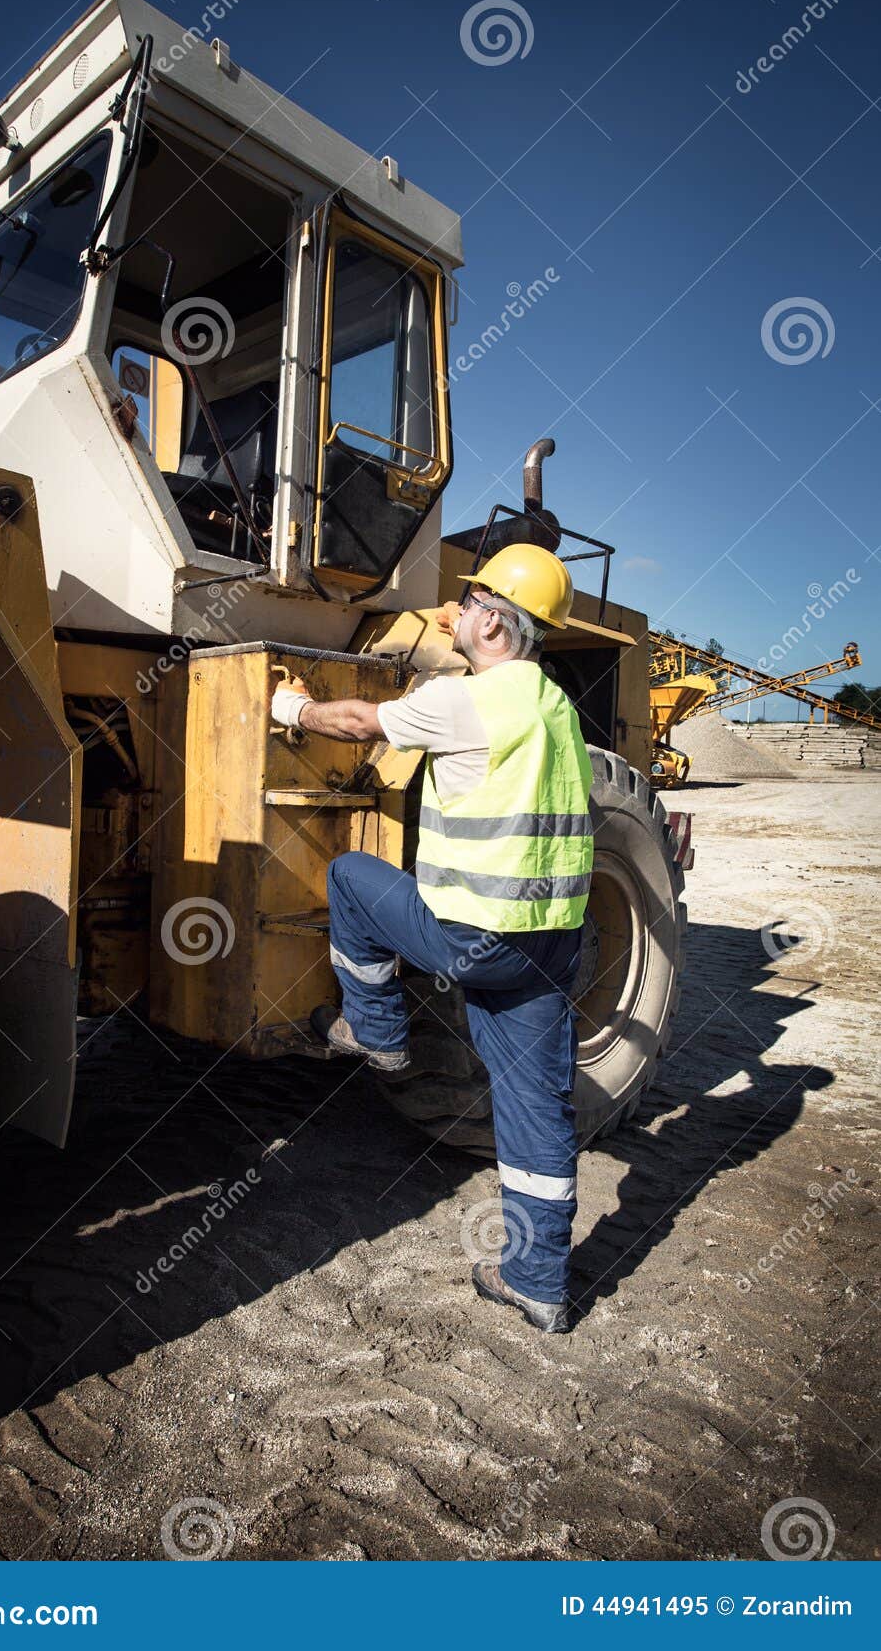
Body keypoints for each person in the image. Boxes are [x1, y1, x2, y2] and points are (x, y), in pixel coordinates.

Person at [269, 545, 594, 1334]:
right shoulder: (552, 703)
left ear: (490, 620)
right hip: (548, 943)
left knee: (350, 874)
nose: (453, 613)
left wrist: (291, 709)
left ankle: (375, 1035)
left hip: (476, 938)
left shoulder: (462, 699)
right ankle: (538, 1282)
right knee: (536, 1110)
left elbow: (354, 723)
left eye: (467, 601)